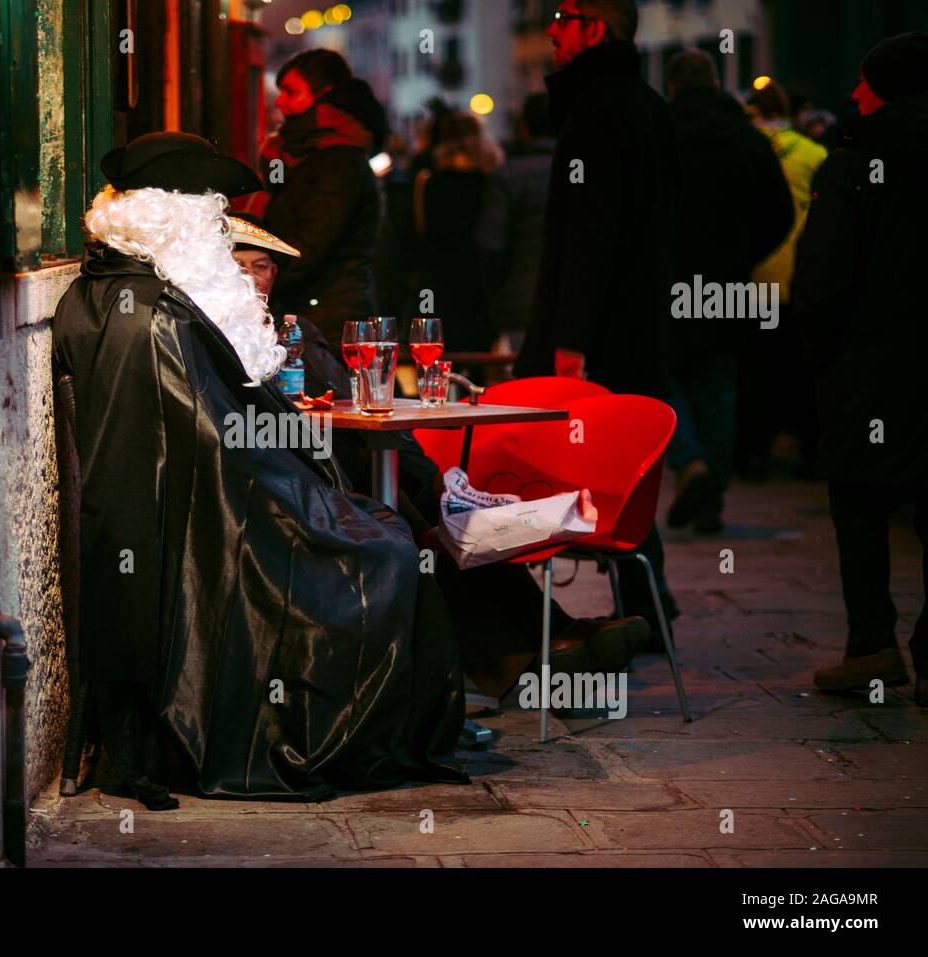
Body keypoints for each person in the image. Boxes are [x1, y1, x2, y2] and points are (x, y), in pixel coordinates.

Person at [51, 132, 472, 808]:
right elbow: (215, 450)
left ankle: (416, 712)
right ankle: (386, 727)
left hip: (217, 504)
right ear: (178, 221)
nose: (221, 235)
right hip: (218, 526)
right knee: (391, 548)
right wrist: (305, 493)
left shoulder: (123, 296)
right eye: (212, 218)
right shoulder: (154, 316)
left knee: (385, 527)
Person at [232, 216, 653, 702]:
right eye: (240, 266)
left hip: (355, 465)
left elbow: (350, 403)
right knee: (412, 521)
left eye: (262, 266)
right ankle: (538, 652)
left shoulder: (295, 331)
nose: (252, 278)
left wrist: (432, 480)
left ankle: (551, 636)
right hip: (285, 480)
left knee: (449, 519)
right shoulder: (219, 338)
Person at [513, 0, 679, 641]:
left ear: (595, 27)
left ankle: (538, 626)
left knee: (575, 467)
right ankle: (645, 604)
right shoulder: (645, 105)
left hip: (599, 333)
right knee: (623, 472)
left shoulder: (598, 110)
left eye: (564, 15)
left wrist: (571, 342)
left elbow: (590, 235)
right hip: (640, 323)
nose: (551, 28)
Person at [791, 32, 928, 705]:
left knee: (860, 501)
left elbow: (822, 279)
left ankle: (872, 645)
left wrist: (816, 359)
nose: (853, 93)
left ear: (889, 89)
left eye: (866, 82)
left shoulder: (853, 164)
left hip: (869, 364)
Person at [663, 50, 795, 534]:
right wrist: (743, 255)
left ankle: (689, 461)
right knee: (718, 389)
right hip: (726, 285)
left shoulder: (660, 136)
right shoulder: (747, 140)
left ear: (672, 87)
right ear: (716, 82)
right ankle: (711, 495)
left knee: (661, 379)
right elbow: (781, 213)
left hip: (667, 283)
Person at [260, 49, 389, 345]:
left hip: (330, 316)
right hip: (314, 308)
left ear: (324, 94)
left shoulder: (338, 160)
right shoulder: (307, 153)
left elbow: (310, 244)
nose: (279, 102)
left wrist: (261, 281)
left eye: (291, 92)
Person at [738, 80, 829, 480]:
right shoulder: (814, 154)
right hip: (800, 277)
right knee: (803, 371)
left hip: (751, 280)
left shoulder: (745, 150)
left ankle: (753, 452)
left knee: (756, 371)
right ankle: (810, 452)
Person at [413, 111, 505, 353]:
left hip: (439, 286)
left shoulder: (431, 182)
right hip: (481, 286)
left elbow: (420, 236)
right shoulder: (491, 182)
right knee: (480, 359)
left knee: (441, 357)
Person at [490, 93, 556, 353]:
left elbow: (490, 245)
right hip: (573, 306)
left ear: (525, 128)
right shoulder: (587, 172)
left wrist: (496, 297)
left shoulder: (509, 174)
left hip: (520, 304)